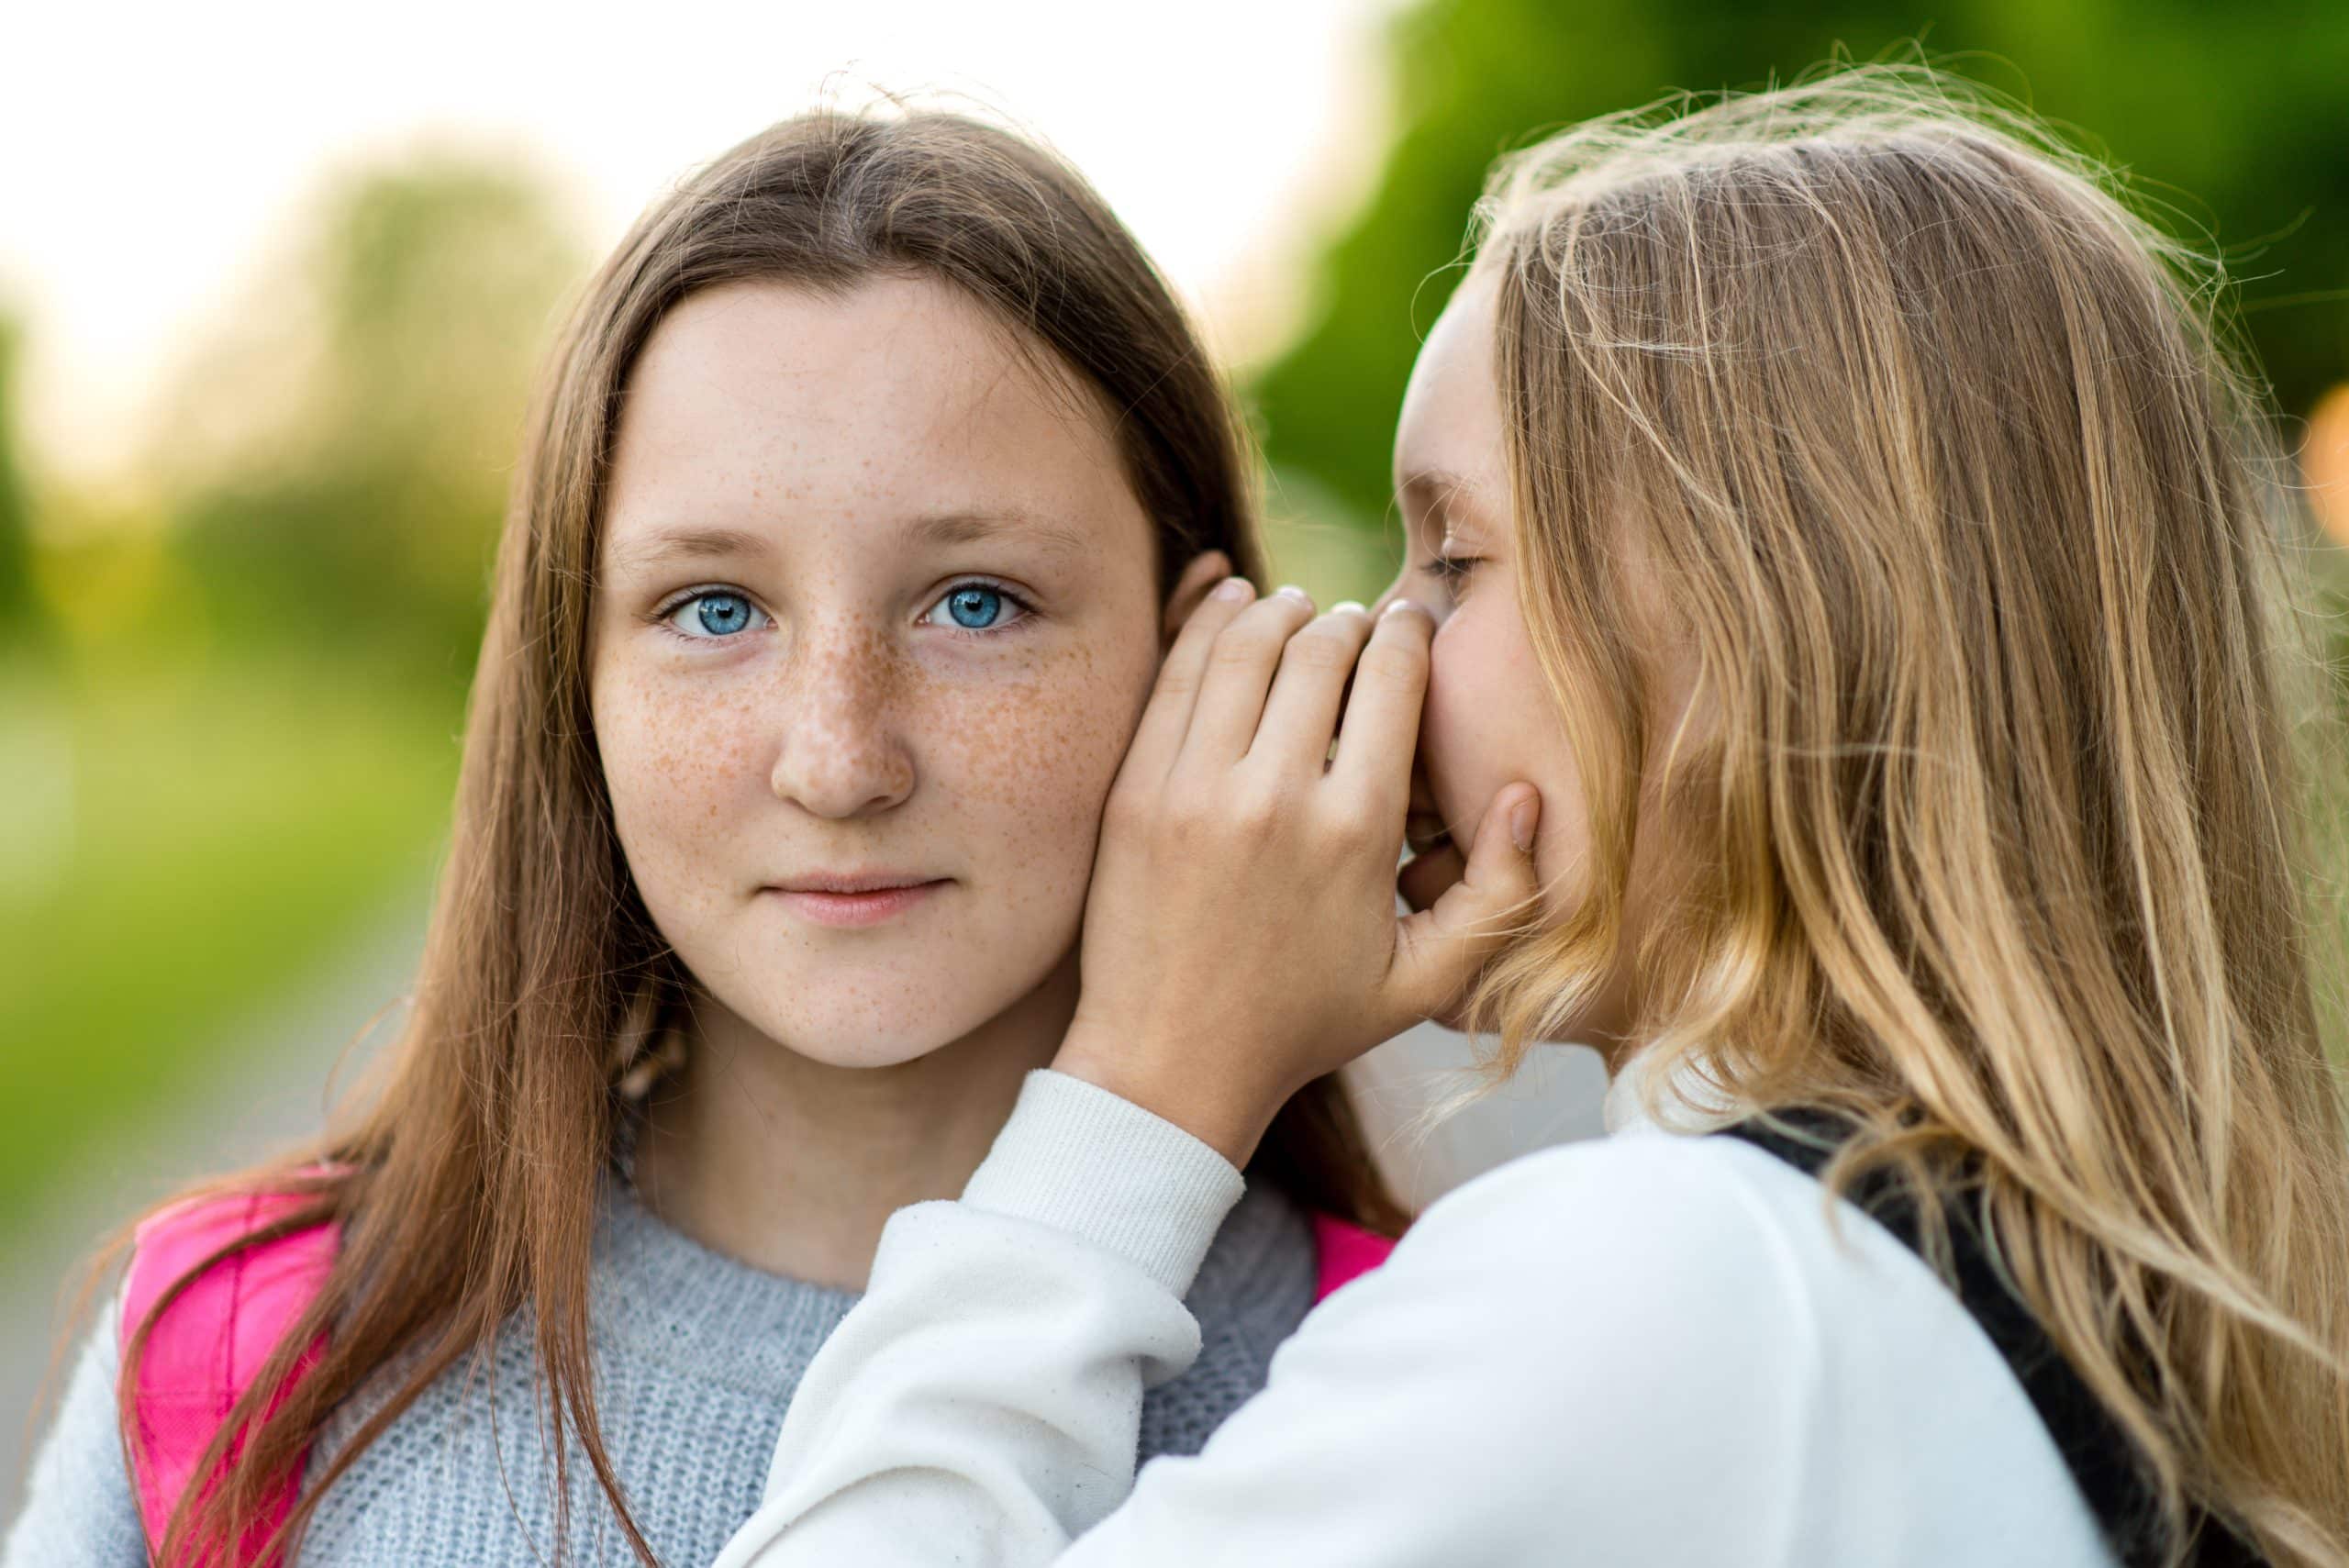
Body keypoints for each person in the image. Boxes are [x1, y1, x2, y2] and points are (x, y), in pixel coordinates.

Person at [711, 65, 2349, 1568]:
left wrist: (1145, 1081)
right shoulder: (2018, 1302)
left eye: (1456, 560)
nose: (1381, 653)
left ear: (1764, 631)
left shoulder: (1682, 1287)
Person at [0, 108, 1403, 1568]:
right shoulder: (252, 1350)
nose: (840, 759)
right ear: (576, 679)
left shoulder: (1437, 1371)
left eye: (975, 601)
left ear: (1201, 657)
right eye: (714, 610)